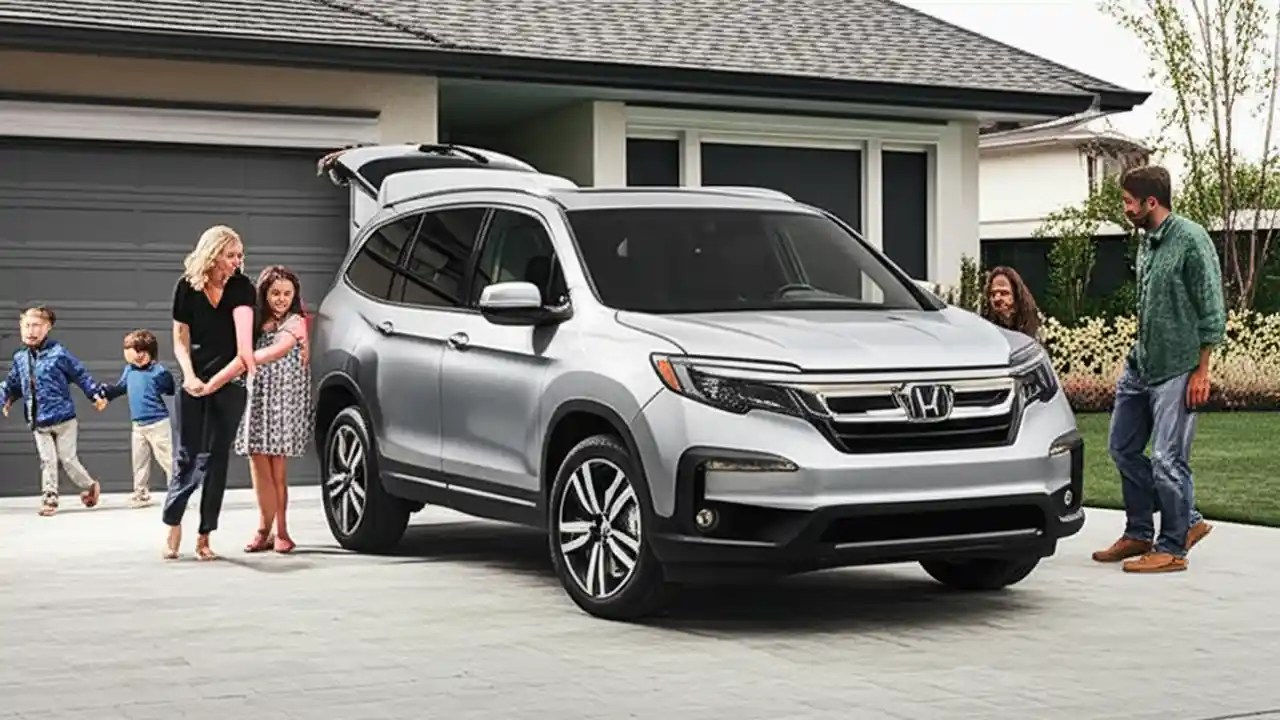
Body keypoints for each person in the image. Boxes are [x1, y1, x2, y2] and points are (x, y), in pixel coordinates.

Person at [1092, 165, 1224, 574]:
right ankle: (1141, 530)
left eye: (1129, 202)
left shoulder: (1191, 240)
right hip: (1142, 363)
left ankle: (1173, 547)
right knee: (1122, 447)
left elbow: (1212, 310)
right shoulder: (1147, 243)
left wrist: (1201, 371)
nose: (1124, 208)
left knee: (1169, 459)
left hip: (1178, 366)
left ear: (1151, 202)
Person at [162, 225, 257, 561]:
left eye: (240, 255)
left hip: (229, 382)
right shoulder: (187, 287)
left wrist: (214, 383)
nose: (238, 261)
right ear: (213, 254)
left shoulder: (243, 288)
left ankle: (205, 536)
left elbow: (245, 350)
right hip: (193, 380)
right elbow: (180, 338)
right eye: (231, 255)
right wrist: (189, 377)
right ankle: (173, 522)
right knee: (187, 455)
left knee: (217, 460)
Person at [225, 265, 314, 554]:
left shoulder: (295, 322)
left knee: (277, 469)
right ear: (265, 293)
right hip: (258, 398)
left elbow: (276, 351)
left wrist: (241, 362)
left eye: (288, 293)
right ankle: (263, 527)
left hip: (282, 402)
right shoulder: (257, 322)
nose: (281, 299)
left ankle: (282, 530)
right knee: (258, 462)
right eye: (275, 293)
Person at [1, 305, 107, 516]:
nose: (31, 331)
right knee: (47, 460)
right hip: (38, 421)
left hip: (64, 419)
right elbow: (13, 383)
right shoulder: (21, 359)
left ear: (48, 327)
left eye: (37, 326)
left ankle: (89, 485)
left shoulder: (59, 354)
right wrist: (7, 398)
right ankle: (50, 497)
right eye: (27, 326)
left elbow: (80, 374)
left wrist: (94, 394)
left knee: (68, 459)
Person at [98, 329, 176, 508]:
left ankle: (176, 491)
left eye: (142, 354)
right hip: (138, 425)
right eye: (134, 355)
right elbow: (120, 388)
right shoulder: (129, 371)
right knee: (139, 460)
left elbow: (170, 389)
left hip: (158, 423)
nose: (138, 359)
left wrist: (166, 380)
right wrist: (105, 393)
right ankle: (140, 493)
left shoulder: (159, 371)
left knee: (167, 459)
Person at [981, 266, 1041, 339]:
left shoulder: (1033, 327)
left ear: (1016, 295)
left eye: (1004, 293)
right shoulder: (985, 328)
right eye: (993, 294)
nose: (996, 299)